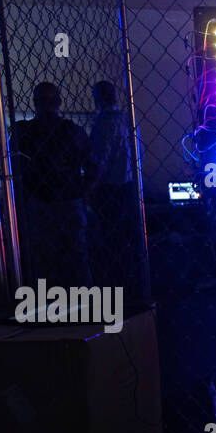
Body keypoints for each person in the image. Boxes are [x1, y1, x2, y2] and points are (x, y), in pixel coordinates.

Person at [9, 82, 91, 286]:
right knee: (72, 258)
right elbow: (92, 166)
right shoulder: (71, 132)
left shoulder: (25, 133)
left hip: (45, 202)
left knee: (48, 260)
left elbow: (16, 166)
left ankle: (53, 304)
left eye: (48, 101)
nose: (47, 106)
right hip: (60, 201)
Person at [87, 80, 138, 291]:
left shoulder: (104, 123)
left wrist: (88, 187)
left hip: (109, 190)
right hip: (128, 187)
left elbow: (100, 159)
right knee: (125, 238)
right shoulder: (127, 120)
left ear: (97, 99)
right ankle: (129, 283)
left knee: (109, 239)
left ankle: (114, 285)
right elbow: (138, 155)